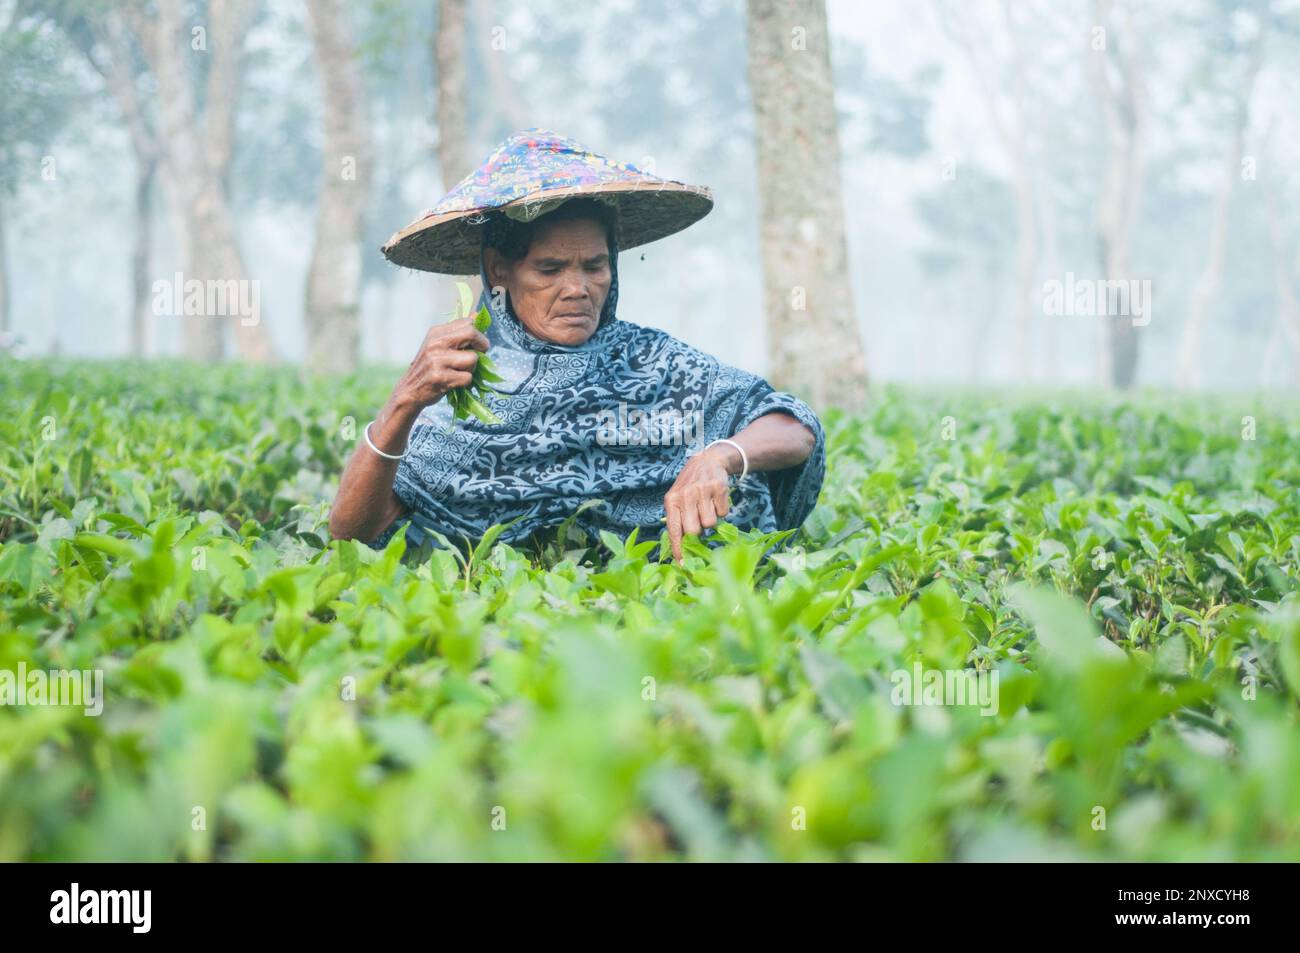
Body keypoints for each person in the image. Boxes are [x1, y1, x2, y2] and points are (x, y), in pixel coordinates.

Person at [329, 130, 824, 562]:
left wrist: (721, 454)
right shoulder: (461, 388)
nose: (578, 288)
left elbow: (793, 427)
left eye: (594, 266)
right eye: (550, 269)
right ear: (500, 270)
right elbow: (352, 532)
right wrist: (403, 403)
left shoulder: (655, 364)